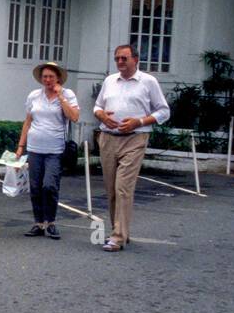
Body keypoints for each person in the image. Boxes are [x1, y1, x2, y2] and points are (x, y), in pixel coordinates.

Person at [93, 43, 170, 252]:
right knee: (111, 190)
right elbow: (97, 105)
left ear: (136, 60)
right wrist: (100, 115)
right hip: (108, 138)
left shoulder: (148, 82)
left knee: (123, 187)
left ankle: (117, 237)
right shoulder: (110, 80)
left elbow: (164, 111)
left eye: (124, 58)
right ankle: (118, 231)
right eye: (117, 58)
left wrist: (140, 122)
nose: (120, 62)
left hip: (135, 139)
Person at [14, 61, 80, 239]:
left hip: (55, 150)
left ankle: (50, 222)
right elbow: (28, 122)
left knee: (49, 185)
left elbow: (74, 117)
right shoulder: (34, 96)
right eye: (45, 77)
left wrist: (61, 97)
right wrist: (21, 146)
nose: (48, 80)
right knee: (35, 187)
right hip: (35, 148)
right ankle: (38, 222)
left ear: (58, 78)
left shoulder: (68, 95)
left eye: (51, 76)